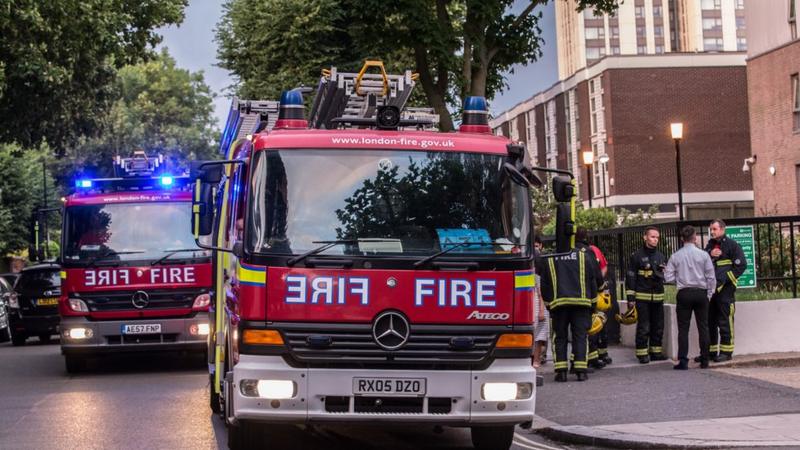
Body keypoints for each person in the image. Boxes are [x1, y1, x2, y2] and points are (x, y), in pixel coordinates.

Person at [537, 245, 604, 382]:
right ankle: (581, 371)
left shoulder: (549, 258)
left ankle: (561, 372)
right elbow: (592, 281)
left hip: (558, 305)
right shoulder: (584, 257)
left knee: (559, 337)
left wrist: (549, 305)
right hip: (582, 305)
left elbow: (545, 284)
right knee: (580, 336)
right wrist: (593, 304)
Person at [664, 225, 716, 370]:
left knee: (683, 328)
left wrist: (680, 280)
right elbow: (711, 277)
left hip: (684, 293)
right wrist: (709, 294)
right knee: (703, 327)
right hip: (701, 293)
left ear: (682, 239)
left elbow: (668, 277)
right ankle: (705, 360)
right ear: (695, 238)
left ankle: (683, 361)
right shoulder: (704, 255)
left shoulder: (676, 256)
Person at [703, 218, 747, 362]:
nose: (712, 232)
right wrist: (710, 254)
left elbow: (741, 266)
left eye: (714, 229)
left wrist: (725, 280)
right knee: (710, 320)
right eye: (711, 229)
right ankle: (711, 352)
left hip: (726, 290)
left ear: (722, 229)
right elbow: (702, 263)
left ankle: (726, 352)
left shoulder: (732, 245)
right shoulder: (709, 246)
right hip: (711, 290)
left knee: (725, 321)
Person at [625, 226, 667, 364]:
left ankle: (656, 352)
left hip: (658, 297)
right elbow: (631, 277)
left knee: (658, 326)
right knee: (644, 327)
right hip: (642, 297)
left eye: (657, 237)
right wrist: (631, 298)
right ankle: (642, 353)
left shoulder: (661, 256)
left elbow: (666, 276)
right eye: (652, 237)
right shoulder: (636, 256)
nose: (655, 240)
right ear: (645, 237)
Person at [574, 228, 610, 370]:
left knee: (578, 331)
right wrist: (600, 288)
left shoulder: (567, 251)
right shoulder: (590, 251)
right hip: (588, 295)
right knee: (591, 327)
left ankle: (588, 358)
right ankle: (590, 359)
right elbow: (599, 272)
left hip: (571, 295)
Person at [531, 236, 549, 368]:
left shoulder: (537, 276)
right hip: (534, 307)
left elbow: (541, 293)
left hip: (538, 307)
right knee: (536, 337)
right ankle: (535, 360)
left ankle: (536, 360)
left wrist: (542, 310)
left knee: (538, 336)